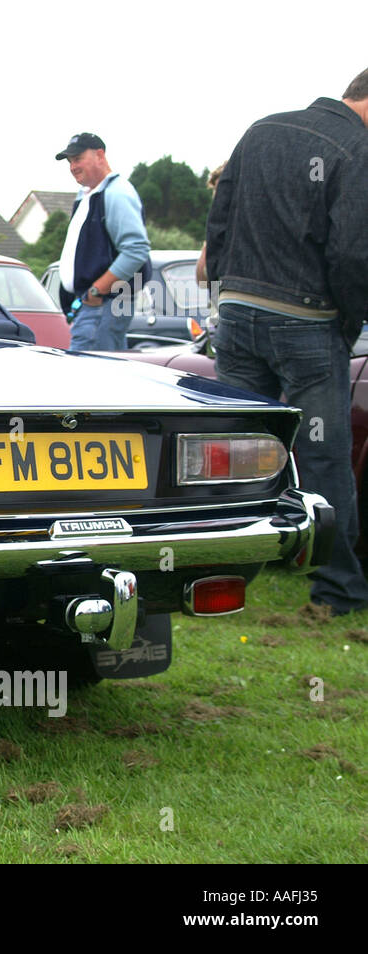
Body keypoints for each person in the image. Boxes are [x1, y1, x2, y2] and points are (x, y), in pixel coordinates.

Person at [205, 68, 368, 615]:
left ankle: (217, 573)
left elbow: (219, 220)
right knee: (323, 459)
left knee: (235, 455)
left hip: (239, 314)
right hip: (308, 321)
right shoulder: (357, 146)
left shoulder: (261, 129)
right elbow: (352, 253)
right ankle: (339, 589)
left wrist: (227, 294)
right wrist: (347, 322)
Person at [54, 132, 151, 351]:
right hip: (94, 309)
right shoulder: (90, 194)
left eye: (78, 158)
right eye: (70, 162)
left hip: (101, 307)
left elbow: (136, 251)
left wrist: (97, 291)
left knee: (91, 379)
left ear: (100, 155)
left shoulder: (117, 193)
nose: (72, 166)